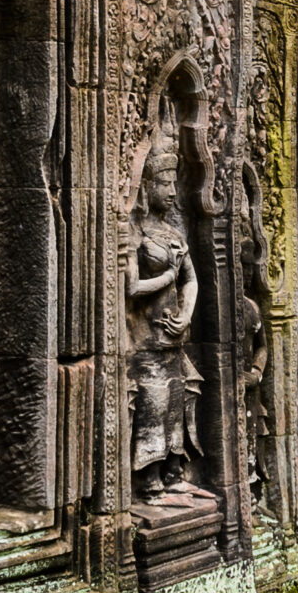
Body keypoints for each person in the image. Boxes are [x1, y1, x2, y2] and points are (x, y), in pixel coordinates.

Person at [127, 128, 202, 501]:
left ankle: (174, 472)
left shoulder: (172, 232)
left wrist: (186, 315)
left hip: (174, 339)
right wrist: (166, 277)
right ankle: (150, 481)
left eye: (175, 184)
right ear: (146, 186)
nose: (172, 191)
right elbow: (131, 288)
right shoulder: (135, 232)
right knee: (153, 405)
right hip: (146, 340)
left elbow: (192, 280)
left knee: (176, 403)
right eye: (164, 183)